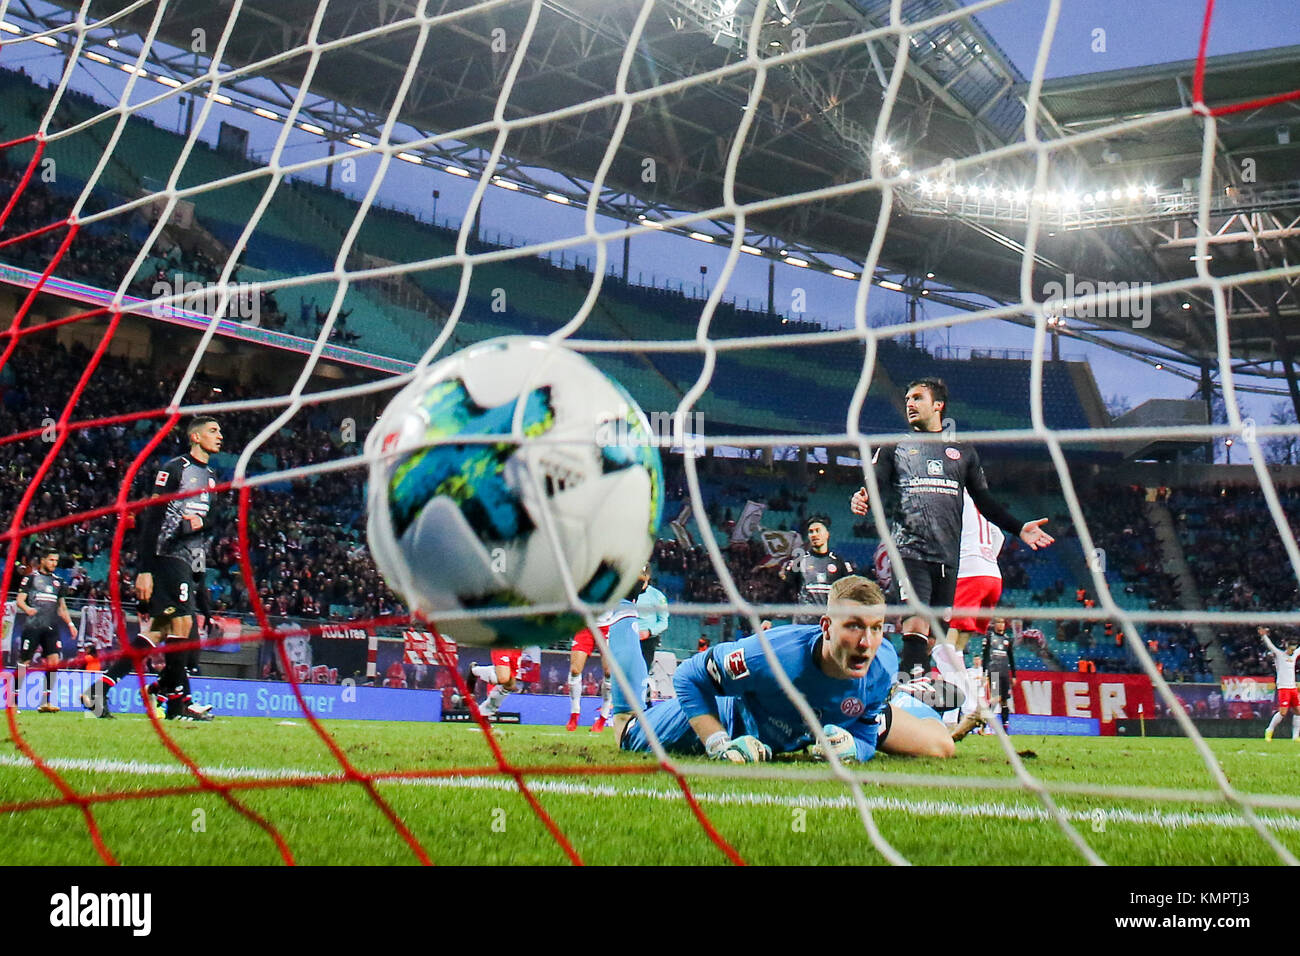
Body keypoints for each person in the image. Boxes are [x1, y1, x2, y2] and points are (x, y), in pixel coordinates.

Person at [617, 576, 957, 762]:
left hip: (836, 717)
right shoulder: (771, 656)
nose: (867, 643)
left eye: (877, 628)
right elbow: (688, 677)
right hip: (736, 714)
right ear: (826, 627)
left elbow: (866, 735)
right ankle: (620, 609)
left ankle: (908, 703)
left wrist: (856, 748)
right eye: (853, 626)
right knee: (628, 735)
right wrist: (718, 743)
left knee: (943, 747)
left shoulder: (882, 664)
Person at [849, 378, 1054, 681]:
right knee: (917, 619)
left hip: (947, 557)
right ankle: (906, 688)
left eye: (917, 398)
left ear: (938, 405)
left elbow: (984, 500)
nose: (909, 403)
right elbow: (875, 483)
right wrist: (861, 495)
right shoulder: (895, 448)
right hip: (909, 549)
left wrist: (1018, 527)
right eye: (907, 398)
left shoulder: (964, 453)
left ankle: (904, 680)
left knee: (937, 634)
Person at [82, 417, 221, 720]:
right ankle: (176, 703)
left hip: (187, 558)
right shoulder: (174, 469)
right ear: (195, 437)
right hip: (165, 556)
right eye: (213, 431)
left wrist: (195, 526)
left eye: (219, 431)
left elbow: (211, 520)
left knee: (159, 632)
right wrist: (144, 569)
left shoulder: (211, 476)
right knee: (181, 627)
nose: (219, 436)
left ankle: (102, 690)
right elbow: (152, 520)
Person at [15, 549, 77, 713]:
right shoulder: (31, 578)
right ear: (42, 560)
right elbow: (20, 600)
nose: (54, 564)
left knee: (54, 662)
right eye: (51, 560)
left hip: (51, 627)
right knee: (25, 662)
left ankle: (46, 702)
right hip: (33, 626)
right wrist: (28, 609)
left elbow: (62, 607)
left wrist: (70, 624)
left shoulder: (59, 582)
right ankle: (13, 701)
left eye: (56, 561)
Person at [780, 514, 855, 624]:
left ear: (827, 534)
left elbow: (852, 592)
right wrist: (768, 618)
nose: (814, 534)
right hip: (804, 624)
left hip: (831, 623)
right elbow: (783, 590)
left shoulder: (840, 562)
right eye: (811, 531)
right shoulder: (799, 561)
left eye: (818, 530)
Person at [1259, 626, 1300, 741]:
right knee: (1283, 712)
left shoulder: (1295, 655)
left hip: (1292, 687)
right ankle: (1269, 730)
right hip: (1283, 687)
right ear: (1287, 646)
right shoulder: (1280, 654)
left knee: (1298, 711)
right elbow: (1270, 646)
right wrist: (1264, 636)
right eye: (1291, 646)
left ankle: (1295, 736)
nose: (1293, 648)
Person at [635, 565, 669, 684]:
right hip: (628, 638)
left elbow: (664, 622)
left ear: (648, 576)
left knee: (642, 673)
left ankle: (641, 699)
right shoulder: (626, 594)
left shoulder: (657, 596)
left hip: (647, 640)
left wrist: (649, 631)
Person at [981, 617, 1017, 726]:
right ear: (994, 624)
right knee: (995, 698)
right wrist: (984, 672)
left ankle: (1005, 727)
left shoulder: (1008, 639)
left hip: (1004, 673)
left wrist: (1014, 675)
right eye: (998, 622)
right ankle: (984, 725)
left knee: (1004, 701)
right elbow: (985, 655)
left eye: (1002, 623)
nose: (1001, 625)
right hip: (994, 671)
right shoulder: (989, 637)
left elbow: (1011, 658)